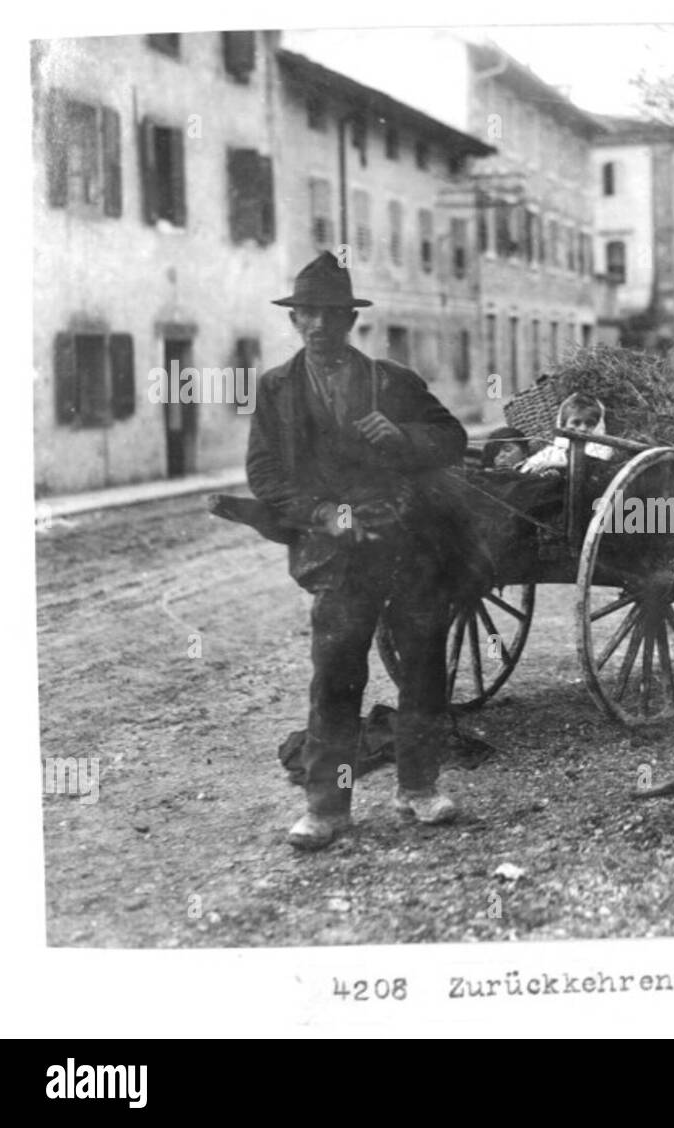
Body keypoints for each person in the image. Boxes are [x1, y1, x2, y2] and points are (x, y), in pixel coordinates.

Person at [247, 251, 474, 850]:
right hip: (336, 553)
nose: (317, 326)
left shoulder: (391, 381)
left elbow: (451, 438)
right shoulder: (277, 390)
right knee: (336, 675)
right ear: (294, 322)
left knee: (422, 663)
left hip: (407, 544)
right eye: (306, 316)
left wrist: (403, 437)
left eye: (329, 315)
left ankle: (419, 787)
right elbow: (266, 475)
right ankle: (326, 808)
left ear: (350, 320)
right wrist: (323, 513)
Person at [519, 392, 612, 475]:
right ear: (563, 425)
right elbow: (530, 467)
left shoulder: (600, 448)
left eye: (590, 424)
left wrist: (555, 465)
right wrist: (537, 471)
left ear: (598, 425)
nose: (583, 429)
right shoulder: (554, 450)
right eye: (576, 423)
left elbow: (592, 467)